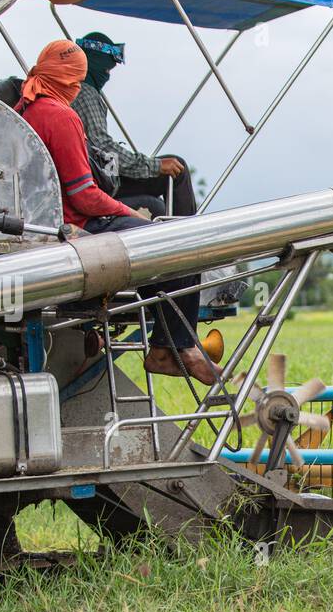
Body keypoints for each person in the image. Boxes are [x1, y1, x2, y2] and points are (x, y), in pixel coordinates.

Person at [16, 40, 216, 382]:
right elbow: (84, 196)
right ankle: (175, 347)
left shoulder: (26, 109)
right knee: (178, 246)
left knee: (156, 244)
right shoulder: (62, 116)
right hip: (80, 226)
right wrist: (131, 213)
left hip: (49, 222)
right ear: (73, 82)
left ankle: (170, 345)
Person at [71, 32, 199, 217]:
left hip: (94, 174)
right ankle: (189, 233)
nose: (107, 76)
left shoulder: (74, 91)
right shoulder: (86, 93)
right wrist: (154, 165)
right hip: (99, 179)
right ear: (96, 63)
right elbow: (105, 149)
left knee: (158, 202)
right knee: (177, 167)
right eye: (107, 70)